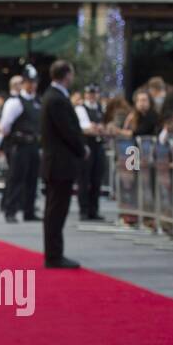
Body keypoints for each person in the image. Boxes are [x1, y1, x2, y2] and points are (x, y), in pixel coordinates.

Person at [39, 59, 86, 269]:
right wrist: (81, 149)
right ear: (66, 75)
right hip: (59, 163)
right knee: (56, 211)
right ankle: (54, 255)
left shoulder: (52, 96)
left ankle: (54, 253)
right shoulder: (56, 99)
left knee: (55, 210)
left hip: (57, 162)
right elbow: (67, 130)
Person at [0, 67, 41, 223]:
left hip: (34, 144)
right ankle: (11, 210)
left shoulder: (37, 101)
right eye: (30, 82)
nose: (33, 86)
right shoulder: (15, 102)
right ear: (23, 83)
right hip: (20, 144)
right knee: (16, 179)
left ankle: (29, 211)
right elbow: (5, 126)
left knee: (32, 179)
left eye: (35, 82)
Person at [76, 83, 107, 221]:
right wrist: (94, 129)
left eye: (94, 93)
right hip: (86, 145)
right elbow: (84, 127)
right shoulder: (80, 108)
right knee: (84, 179)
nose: (92, 96)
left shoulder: (100, 108)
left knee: (97, 179)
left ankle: (94, 209)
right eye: (90, 93)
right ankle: (83, 209)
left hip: (99, 145)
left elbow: (104, 126)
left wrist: (100, 129)